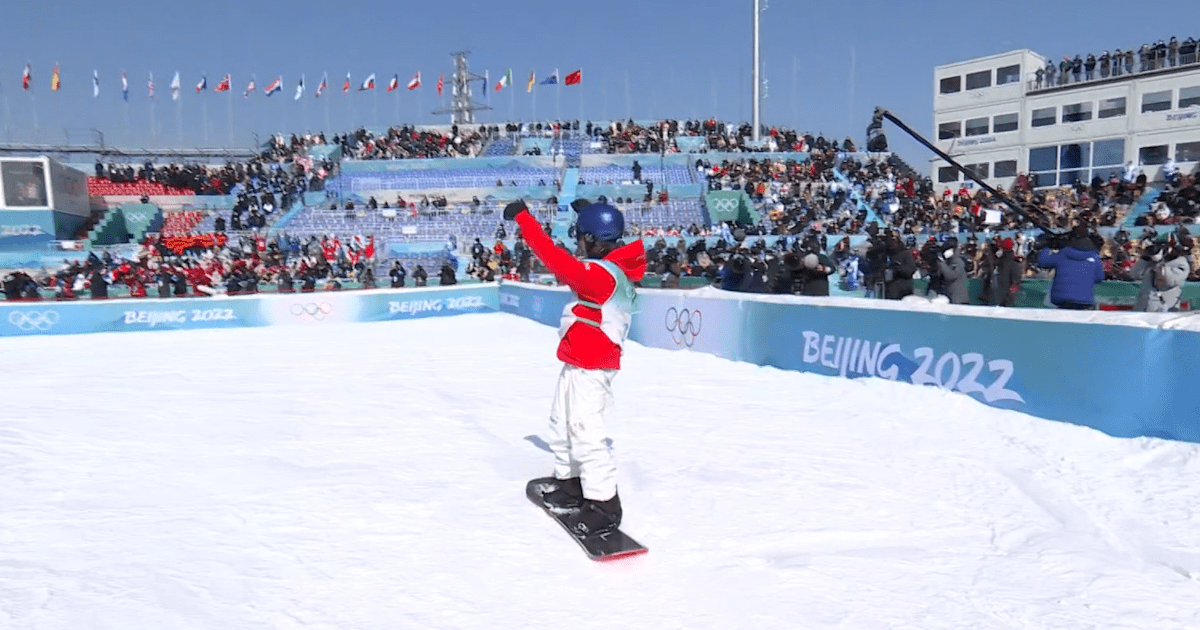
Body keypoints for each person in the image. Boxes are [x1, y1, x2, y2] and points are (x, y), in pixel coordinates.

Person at [504, 198, 647, 537]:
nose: (578, 244)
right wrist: (587, 214)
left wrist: (524, 218)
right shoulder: (610, 267)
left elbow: (553, 258)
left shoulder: (601, 277)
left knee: (586, 433)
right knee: (561, 424)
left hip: (592, 366)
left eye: (581, 236)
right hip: (579, 360)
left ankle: (604, 504)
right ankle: (570, 483)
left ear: (593, 240)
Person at [1037, 225, 1105, 310]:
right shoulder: (1095, 256)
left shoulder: (1063, 253)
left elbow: (1043, 262)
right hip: (1085, 300)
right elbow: (1099, 277)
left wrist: (1046, 246)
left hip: (1062, 299)